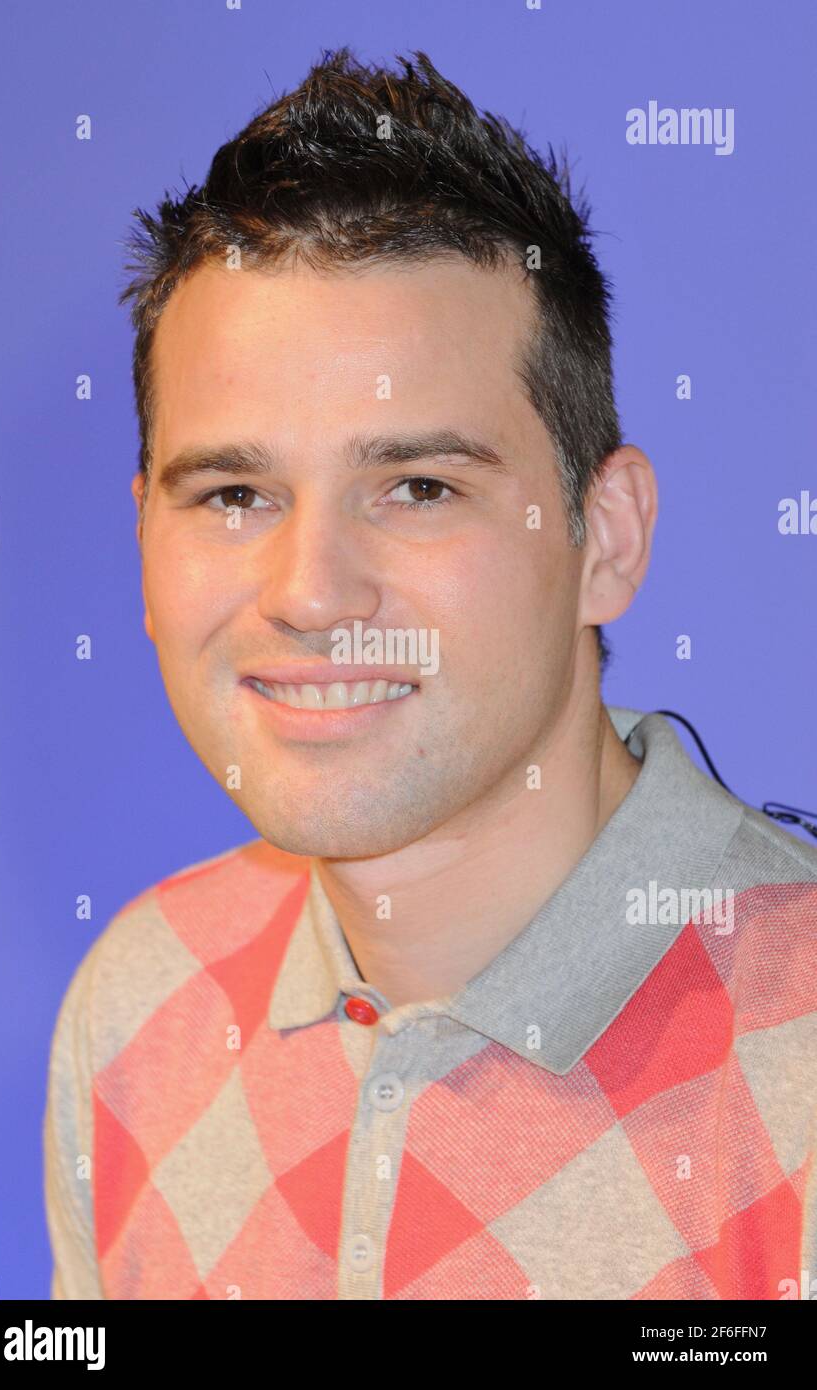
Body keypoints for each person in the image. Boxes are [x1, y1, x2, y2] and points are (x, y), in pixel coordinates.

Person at [44, 47, 817, 1300]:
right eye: (234, 494)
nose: (306, 592)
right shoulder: (141, 1004)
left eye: (416, 487)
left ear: (603, 537)